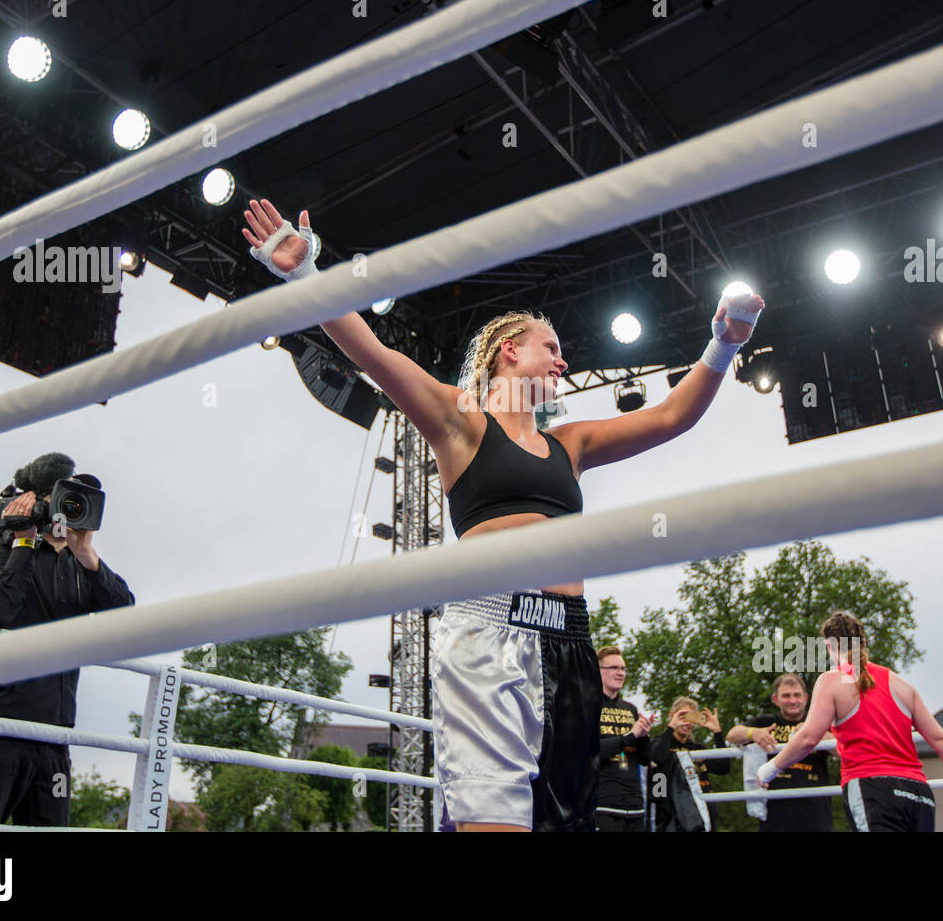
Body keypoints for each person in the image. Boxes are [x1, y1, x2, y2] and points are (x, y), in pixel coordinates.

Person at [242, 201, 764, 831]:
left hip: (571, 645)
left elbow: (669, 416)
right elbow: (375, 354)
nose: (564, 361)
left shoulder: (571, 445)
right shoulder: (458, 423)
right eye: (553, 348)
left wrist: (722, 343)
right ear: (509, 350)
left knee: (563, 824)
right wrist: (304, 279)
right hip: (491, 632)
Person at [0, 453, 135, 826]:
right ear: (41, 502)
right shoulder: (8, 549)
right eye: (64, 499)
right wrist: (23, 541)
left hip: (54, 739)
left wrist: (85, 551)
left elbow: (124, 612)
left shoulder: (81, 564)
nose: (70, 511)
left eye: (77, 502)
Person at [756, 612, 943, 832]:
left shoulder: (832, 680)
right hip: (919, 794)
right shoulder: (902, 685)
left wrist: (770, 768)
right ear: (864, 642)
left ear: (829, 646)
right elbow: (940, 740)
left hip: (873, 789)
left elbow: (808, 738)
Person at [727, 673, 834, 831]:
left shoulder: (819, 721)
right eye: (786, 696)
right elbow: (732, 735)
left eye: (797, 695)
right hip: (775, 809)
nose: (792, 701)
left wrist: (815, 732)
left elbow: (843, 749)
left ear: (805, 698)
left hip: (815, 809)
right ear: (776, 699)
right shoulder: (766, 722)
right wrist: (753, 733)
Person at [595, 646, 655, 832]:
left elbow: (646, 758)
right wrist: (630, 735)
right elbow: (592, 752)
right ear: (597, 671)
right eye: (614, 668)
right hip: (603, 804)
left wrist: (643, 736)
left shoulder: (630, 709)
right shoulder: (588, 705)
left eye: (623, 668)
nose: (620, 673)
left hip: (634, 803)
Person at [650, 697, 732, 831]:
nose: (687, 722)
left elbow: (723, 767)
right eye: (683, 716)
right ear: (672, 715)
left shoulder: (697, 747)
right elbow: (658, 757)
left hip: (702, 814)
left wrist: (717, 732)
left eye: (692, 718)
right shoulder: (660, 742)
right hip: (672, 816)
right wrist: (671, 726)